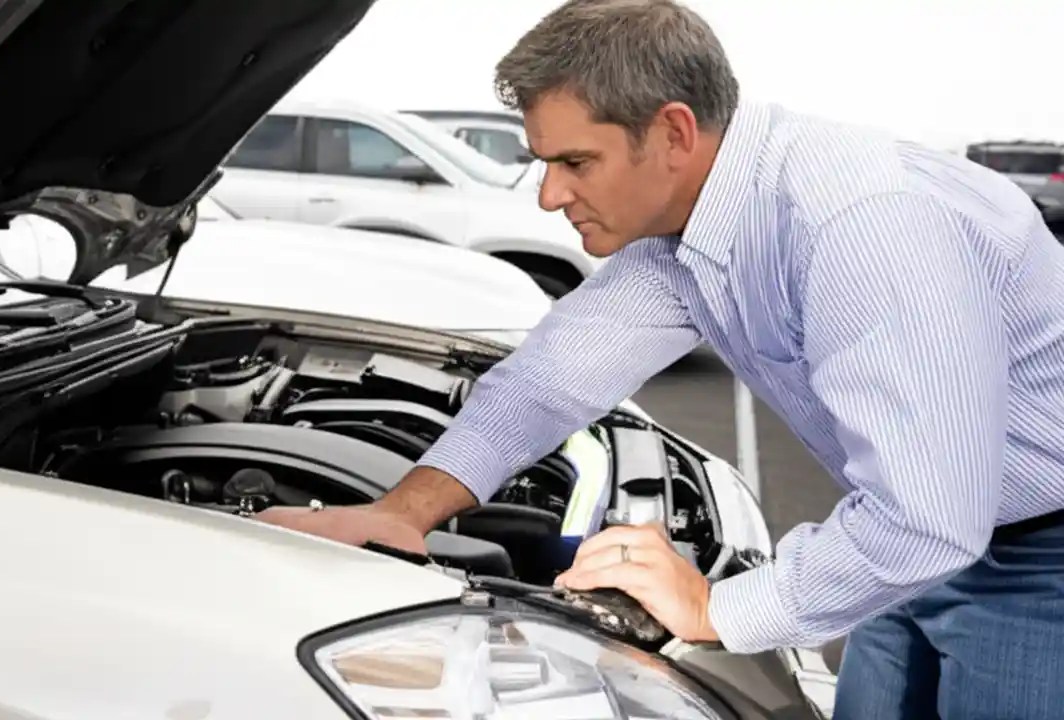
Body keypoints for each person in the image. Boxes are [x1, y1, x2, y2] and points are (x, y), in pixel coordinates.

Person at [256, 0, 1064, 716]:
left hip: (1040, 564)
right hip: (910, 536)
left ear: (673, 132)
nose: (547, 195)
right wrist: (403, 511)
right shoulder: (691, 235)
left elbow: (930, 515)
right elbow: (547, 381)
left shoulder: (857, 225)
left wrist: (716, 609)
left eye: (575, 163)